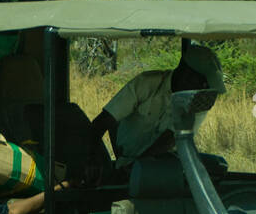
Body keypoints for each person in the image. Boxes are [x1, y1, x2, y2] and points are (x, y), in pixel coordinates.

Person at [89, 43, 225, 168]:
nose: (203, 90)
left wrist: (136, 168)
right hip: (127, 161)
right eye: (201, 83)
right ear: (185, 73)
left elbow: (167, 141)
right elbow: (105, 120)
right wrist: (93, 162)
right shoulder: (147, 83)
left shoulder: (196, 102)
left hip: (162, 167)